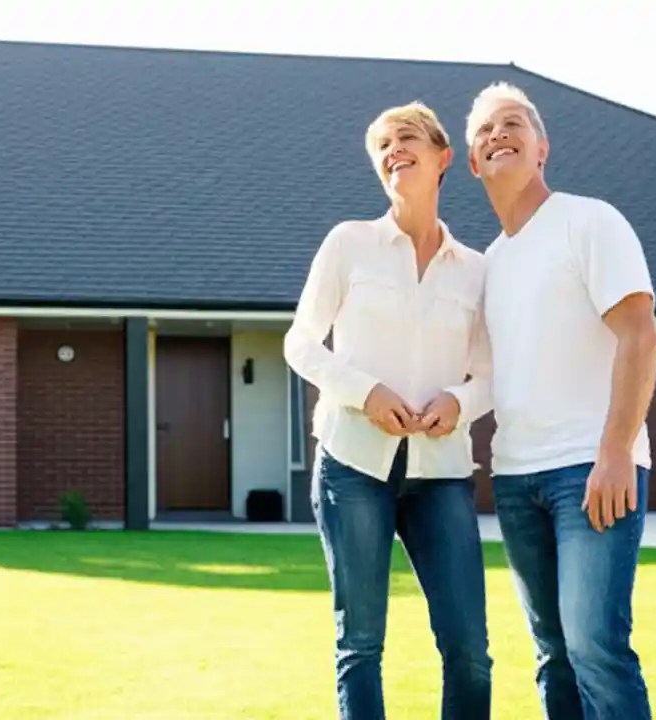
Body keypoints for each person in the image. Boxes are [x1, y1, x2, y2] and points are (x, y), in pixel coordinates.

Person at [284, 101, 493, 720]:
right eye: (382, 146)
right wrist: (363, 392)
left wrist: (460, 402)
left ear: (443, 158)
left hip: (442, 476)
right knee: (361, 645)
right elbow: (301, 342)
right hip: (352, 467)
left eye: (407, 138)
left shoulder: (478, 271)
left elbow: (490, 375)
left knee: (469, 649)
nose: (393, 150)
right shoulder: (349, 244)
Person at [465, 82, 656, 719]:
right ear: (471, 162)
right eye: (486, 129)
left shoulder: (588, 221)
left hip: (590, 469)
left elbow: (639, 333)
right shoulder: (489, 264)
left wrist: (615, 450)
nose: (499, 134)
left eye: (513, 123)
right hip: (517, 480)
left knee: (595, 648)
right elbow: (490, 376)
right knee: (553, 654)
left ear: (541, 147)